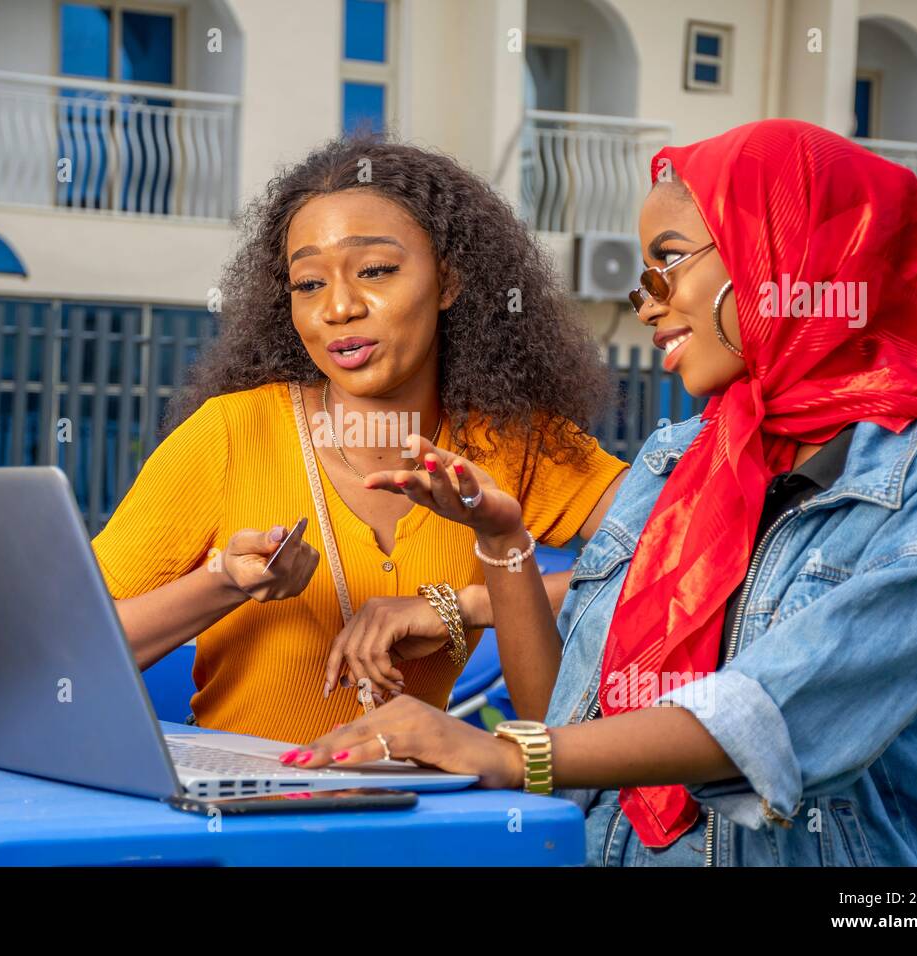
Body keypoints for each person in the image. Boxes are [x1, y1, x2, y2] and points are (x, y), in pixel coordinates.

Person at [283, 119, 917, 866]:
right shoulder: (681, 458)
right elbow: (561, 721)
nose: (648, 303)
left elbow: (773, 718)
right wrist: (502, 545)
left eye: (668, 261)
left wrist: (508, 752)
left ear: (782, 257)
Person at [93, 136, 626, 743]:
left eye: (375, 271)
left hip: (417, 811)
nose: (338, 308)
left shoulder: (510, 441)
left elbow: (687, 556)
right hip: (249, 814)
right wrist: (223, 583)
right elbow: (70, 655)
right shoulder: (230, 434)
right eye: (309, 284)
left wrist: (459, 607)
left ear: (448, 281)